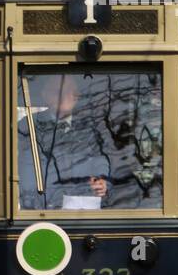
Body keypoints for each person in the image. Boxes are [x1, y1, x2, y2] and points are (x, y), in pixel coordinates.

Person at [18, 72, 111, 211]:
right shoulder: (29, 126)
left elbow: (102, 159)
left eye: (70, 91)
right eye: (58, 91)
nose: (65, 95)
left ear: (76, 96)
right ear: (46, 95)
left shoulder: (90, 127)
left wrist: (103, 181)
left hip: (84, 215)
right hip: (43, 214)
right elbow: (26, 177)